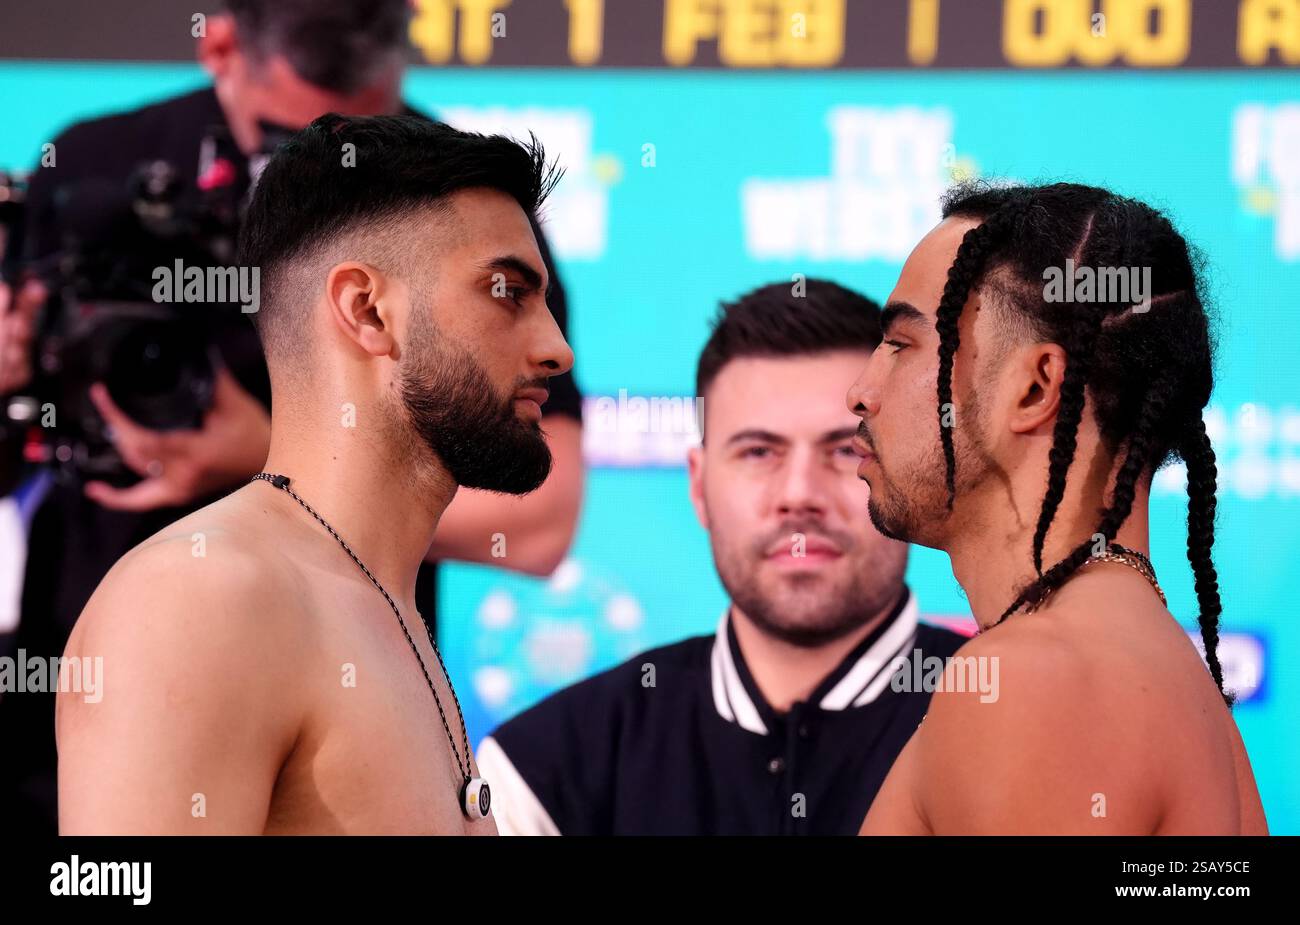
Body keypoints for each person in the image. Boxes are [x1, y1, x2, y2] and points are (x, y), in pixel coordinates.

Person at [1, 0, 583, 832]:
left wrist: (249, 452)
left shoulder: (389, 625)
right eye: (509, 296)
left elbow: (544, 524)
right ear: (366, 310)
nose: (555, 349)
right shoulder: (197, 602)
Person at [848, 181, 1268, 835]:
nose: (861, 390)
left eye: (902, 345)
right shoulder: (1186, 697)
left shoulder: (1031, 683)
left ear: (1036, 385)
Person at [477, 280, 967, 835]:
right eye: (759, 452)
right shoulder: (542, 774)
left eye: (846, 450)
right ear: (698, 485)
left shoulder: (1021, 723)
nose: (799, 494)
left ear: (906, 473)